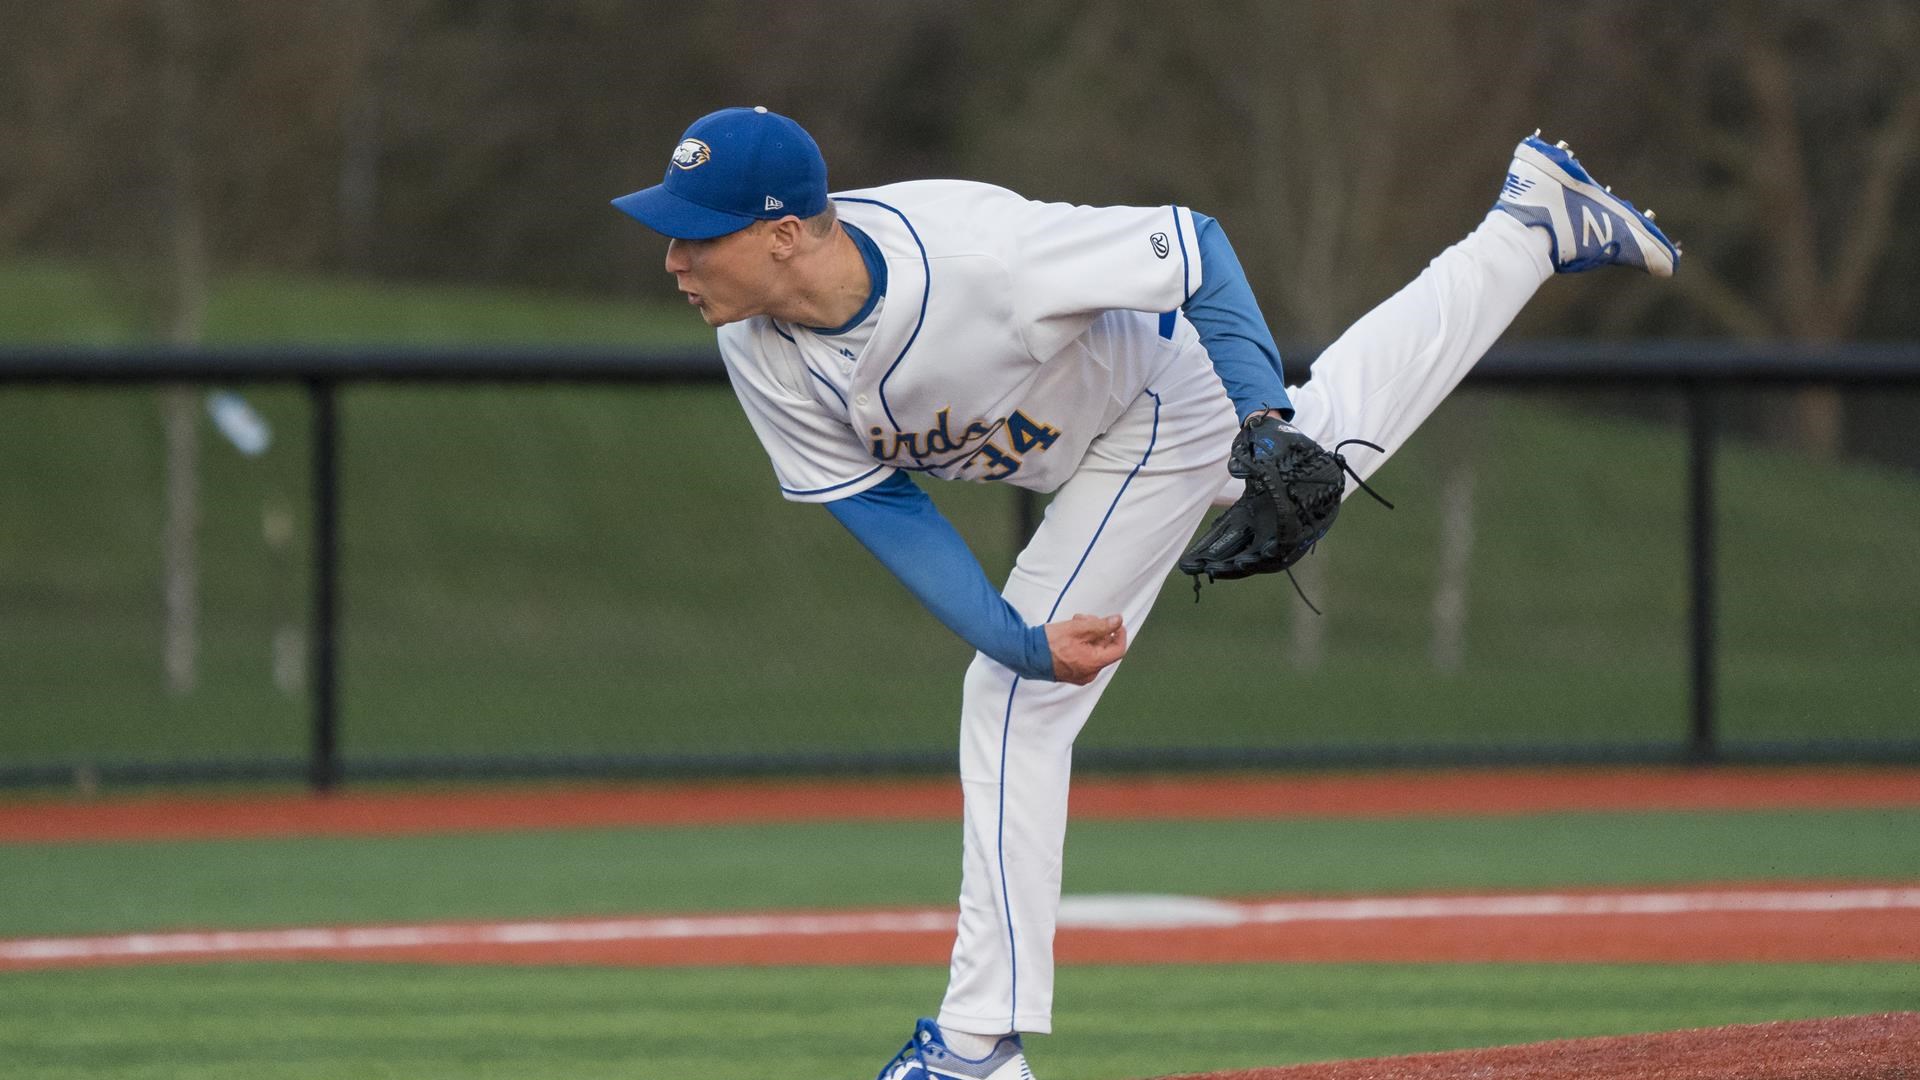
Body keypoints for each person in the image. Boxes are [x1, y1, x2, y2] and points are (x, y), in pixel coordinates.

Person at [611, 106, 1677, 1080]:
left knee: (1013, 706)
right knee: (1334, 426)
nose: (672, 258)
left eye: (696, 236)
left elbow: (1194, 244)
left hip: (1160, 402)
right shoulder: (761, 351)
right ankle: (1531, 224)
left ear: (786, 233)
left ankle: (978, 1045)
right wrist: (1020, 635)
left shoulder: (984, 258)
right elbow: (885, 507)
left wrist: (1258, 423)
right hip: (1104, 441)